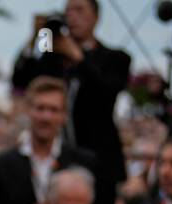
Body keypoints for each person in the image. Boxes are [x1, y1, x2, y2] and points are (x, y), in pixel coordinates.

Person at [10, 0, 132, 186]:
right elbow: (21, 80)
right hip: (56, 155)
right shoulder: (52, 58)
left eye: (79, 10)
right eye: (67, 11)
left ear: (96, 17)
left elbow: (106, 94)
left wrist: (79, 57)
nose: (72, 16)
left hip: (99, 158)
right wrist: (38, 38)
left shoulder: (115, 58)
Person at [0, 76, 101, 204]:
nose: (46, 117)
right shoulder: (1, 164)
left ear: (64, 115)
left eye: (53, 110)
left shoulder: (83, 161)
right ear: (28, 110)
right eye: (40, 108)